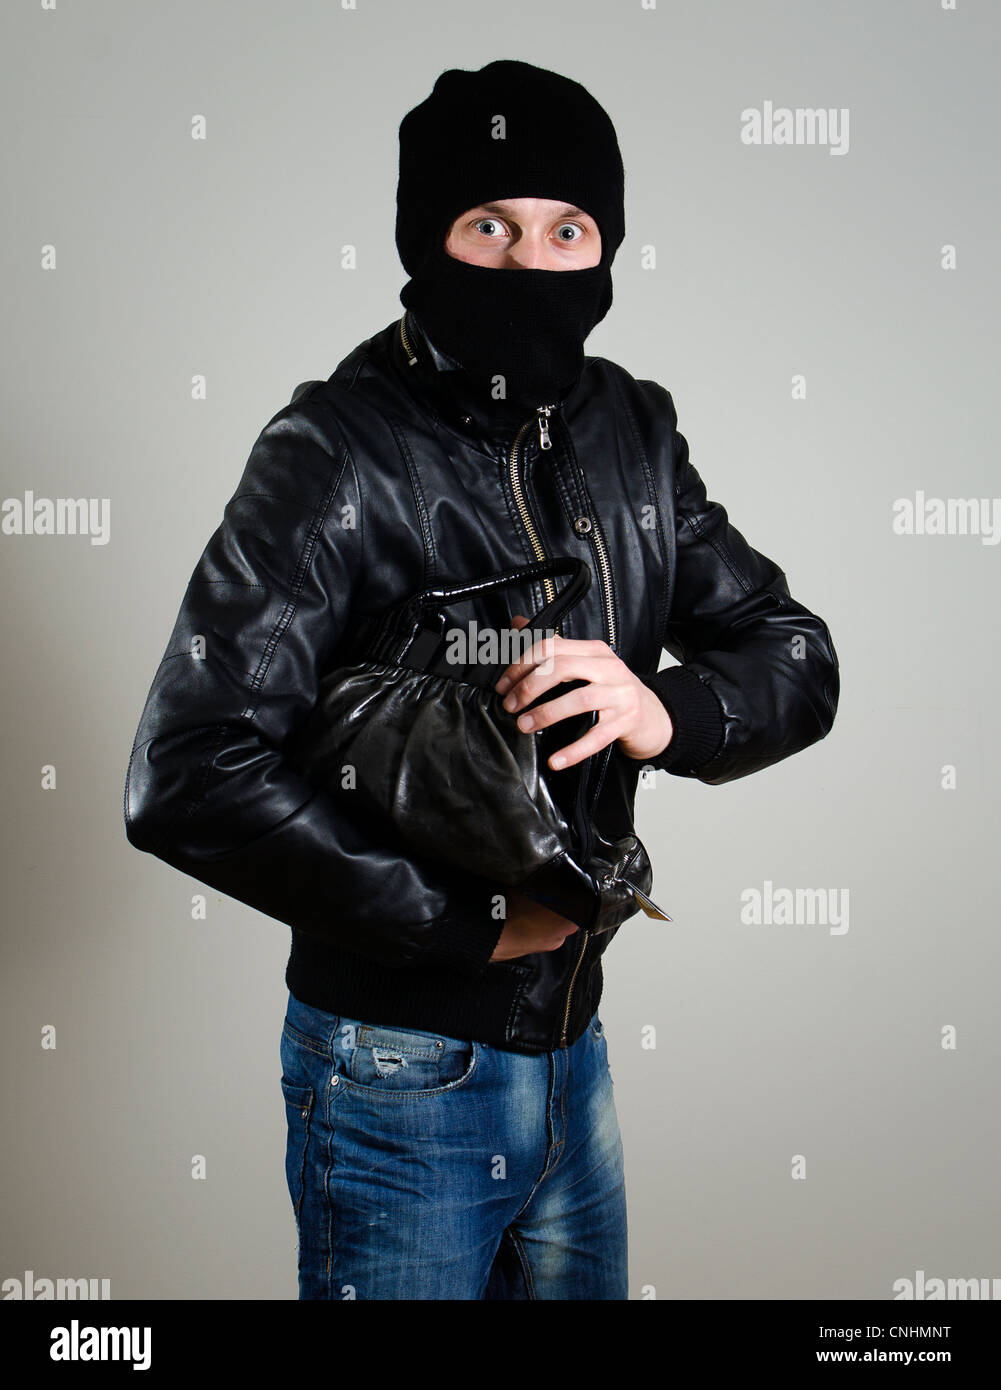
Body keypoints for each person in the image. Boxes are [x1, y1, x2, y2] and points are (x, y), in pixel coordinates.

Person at [123, 59, 839, 1300]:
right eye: (488, 227)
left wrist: (664, 707)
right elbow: (187, 770)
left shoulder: (632, 427)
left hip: (573, 1051)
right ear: (425, 239)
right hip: (398, 1067)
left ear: (606, 246)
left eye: (567, 231)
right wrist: (464, 929)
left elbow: (793, 652)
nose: (529, 263)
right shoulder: (335, 448)